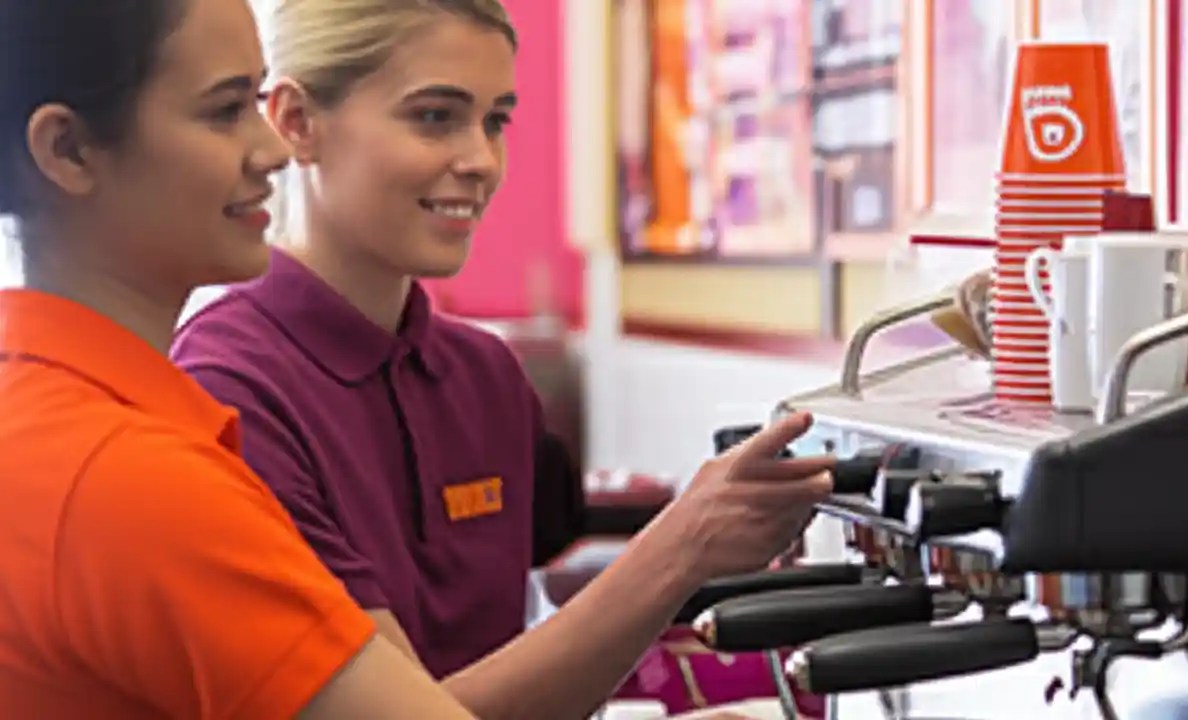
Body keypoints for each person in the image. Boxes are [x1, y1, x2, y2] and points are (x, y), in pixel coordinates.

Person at [0, 1, 834, 717]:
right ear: (68, 152)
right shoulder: (140, 462)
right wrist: (679, 548)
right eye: (224, 111)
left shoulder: (94, 419)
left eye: (495, 120)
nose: (267, 150)